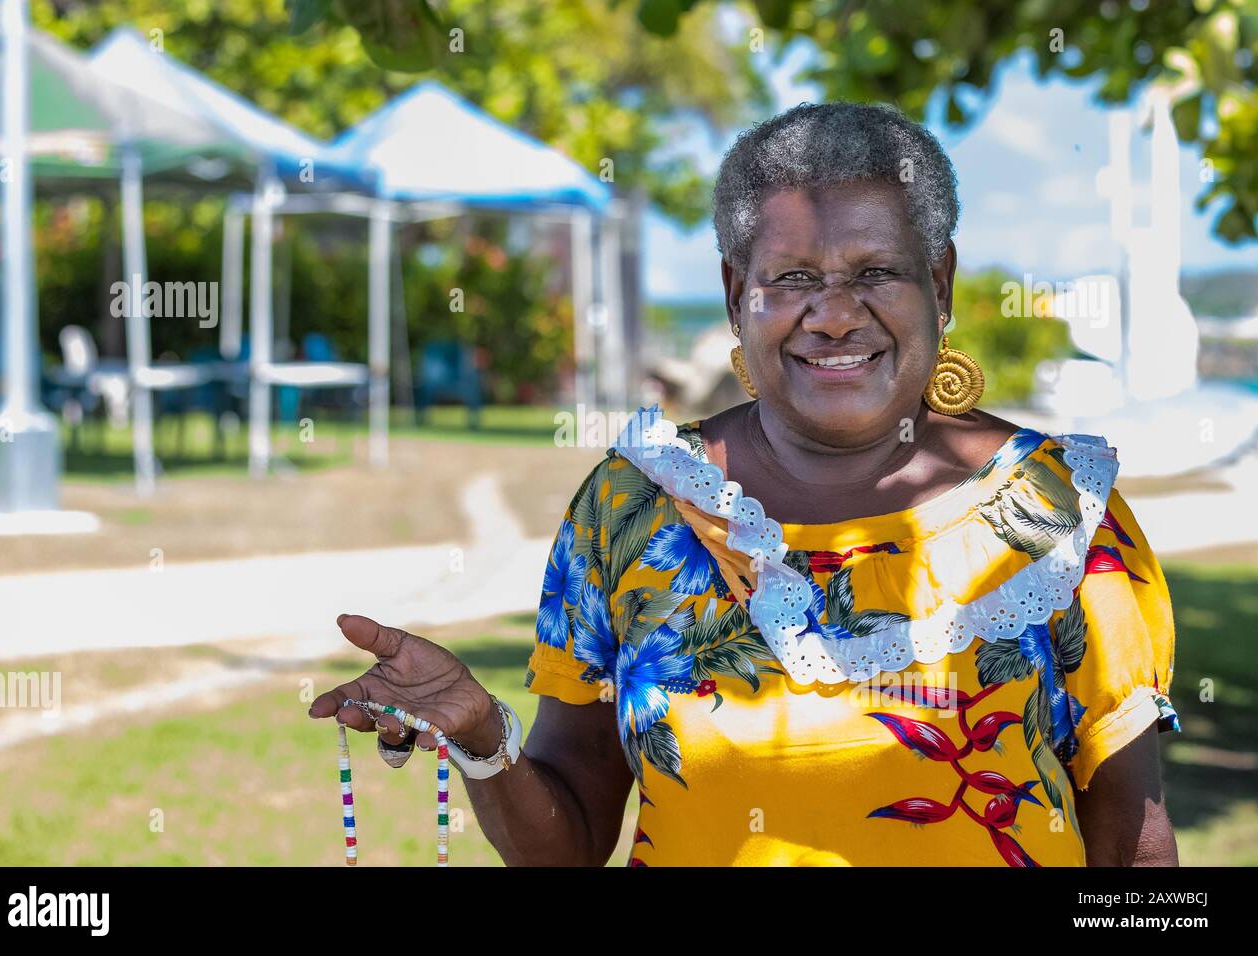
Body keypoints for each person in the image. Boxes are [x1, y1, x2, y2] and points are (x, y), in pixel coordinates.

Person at [309, 102, 1180, 866]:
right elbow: (567, 844)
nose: (835, 314)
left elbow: (1131, 848)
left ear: (939, 283)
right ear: (736, 295)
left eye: (876, 272)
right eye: (792, 278)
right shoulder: (634, 507)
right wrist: (483, 739)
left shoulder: (1061, 514)